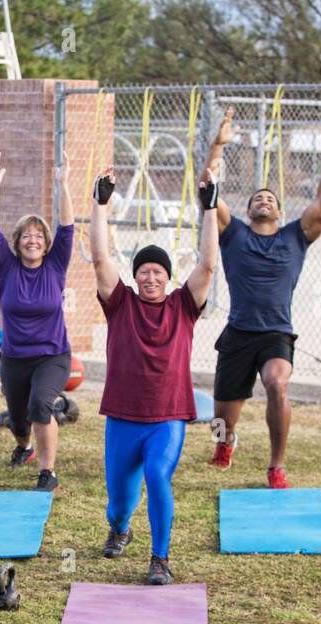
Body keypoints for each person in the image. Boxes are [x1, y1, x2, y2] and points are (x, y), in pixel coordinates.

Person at [197, 107, 321, 488]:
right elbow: (206, 190)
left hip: (276, 333)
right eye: (257, 198)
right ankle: (224, 445)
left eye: (270, 199)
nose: (263, 200)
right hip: (237, 333)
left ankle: (276, 466)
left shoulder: (295, 236)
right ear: (247, 211)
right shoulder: (235, 234)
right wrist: (217, 145)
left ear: (279, 211)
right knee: (220, 420)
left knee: (277, 383)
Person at [90, 168, 220, 584]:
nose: (150, 276)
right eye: (143, 270)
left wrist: (210, 208)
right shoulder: (120, 303)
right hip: (123, 418)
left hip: (167, 418)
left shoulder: (183, 305)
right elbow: (99, 258)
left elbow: (209, 263)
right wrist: (100, 205)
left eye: (157, 272)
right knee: (119, 500)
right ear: (136, 275)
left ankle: (160, 558)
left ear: (168, 277)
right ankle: (120, 527)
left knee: (158, 476)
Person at [0, 149, 73, 491]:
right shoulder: (7, 268)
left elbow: (67, 227)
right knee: (19, 420)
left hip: (52, 354)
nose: (33, 239)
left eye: (39, 235)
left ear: (46, 243)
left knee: (40, 406)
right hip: (15, 358)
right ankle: (25, 447)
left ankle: (48, 473)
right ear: (18, 243)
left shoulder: (56, 264)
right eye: (26, 235)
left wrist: (63, 183)